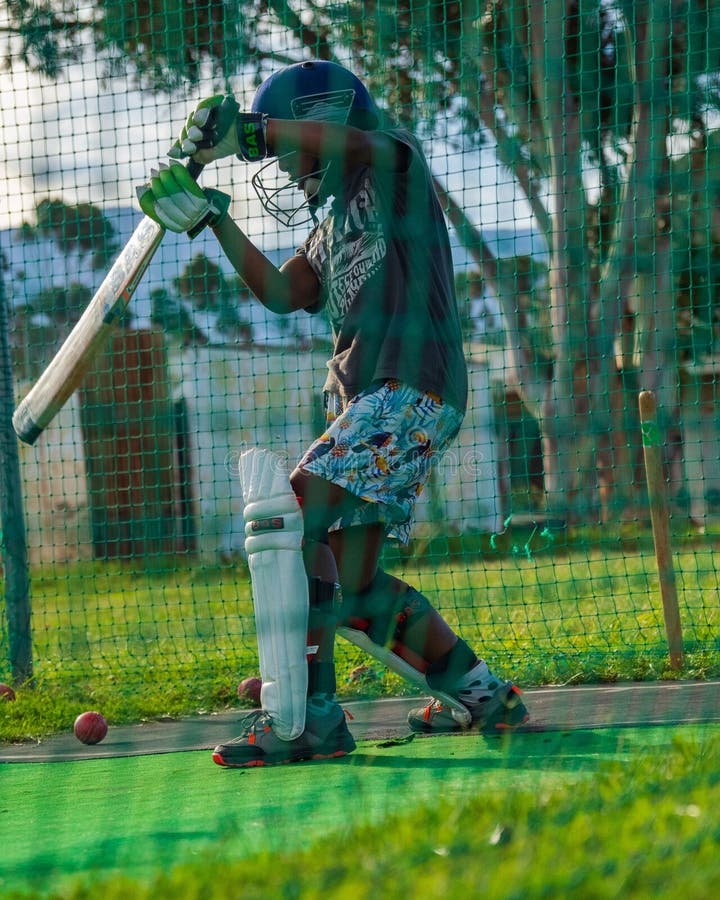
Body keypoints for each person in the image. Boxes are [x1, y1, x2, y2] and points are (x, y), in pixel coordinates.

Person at [138, 60, 528, 768]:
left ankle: (311, 719)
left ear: (325, 122)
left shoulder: (391, 164)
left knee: (288, 515)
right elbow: (287, 295)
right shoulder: (328, 226)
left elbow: (355, 145)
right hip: (370, 402)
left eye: (289, 153)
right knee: (352, 589)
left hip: (408, 388)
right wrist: (215, 221)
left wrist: (250, 132)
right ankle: (482, 693)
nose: (284, 171)